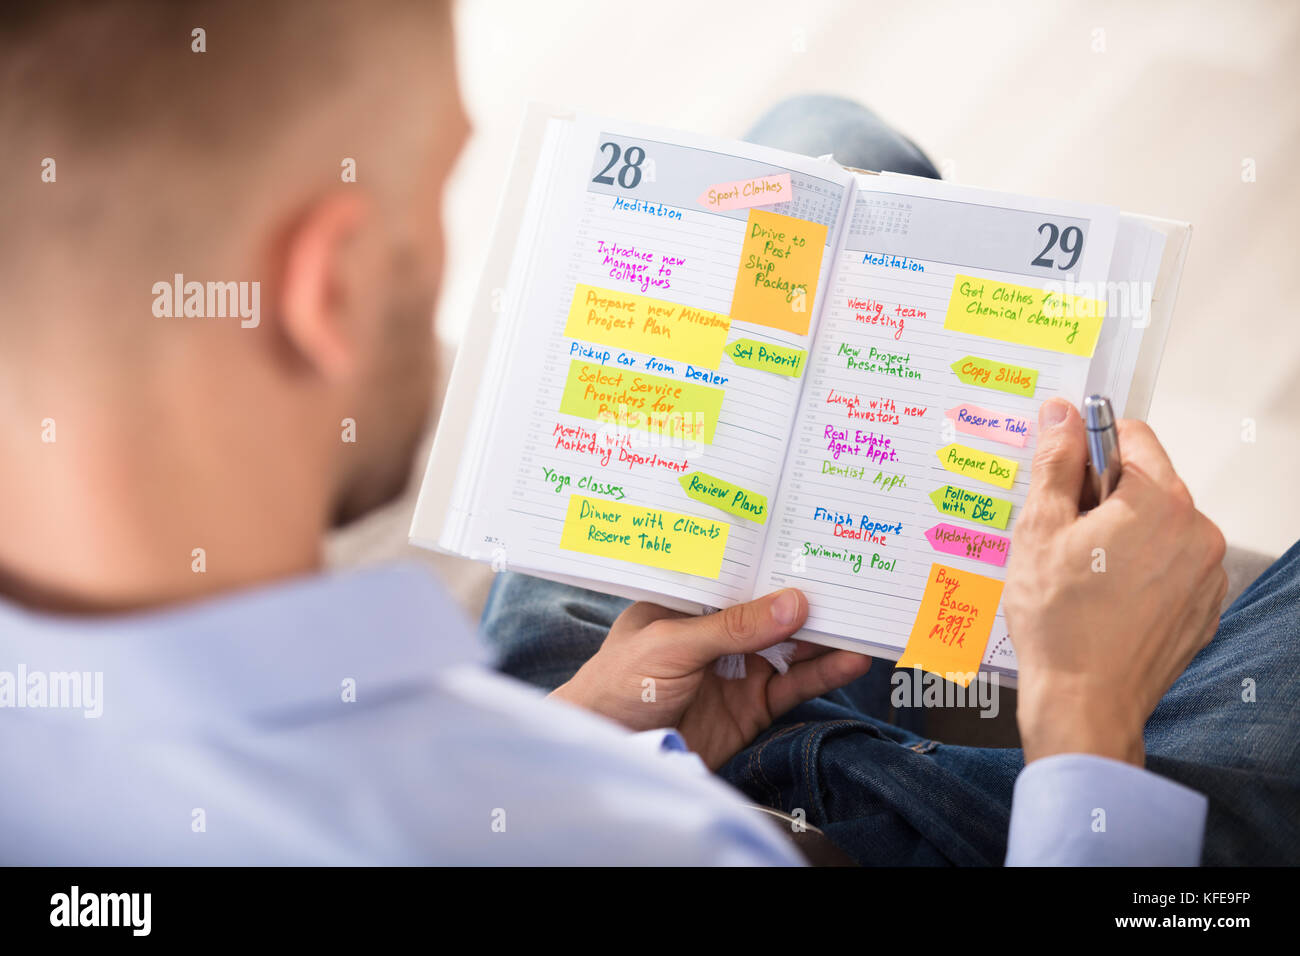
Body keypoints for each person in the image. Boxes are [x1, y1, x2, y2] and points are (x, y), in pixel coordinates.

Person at [0, 0, 1294, 865]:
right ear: (324, 288)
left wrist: (581, 722)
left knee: (818, 150)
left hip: (615, 734)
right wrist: (1083, 722)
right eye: (435, 187)